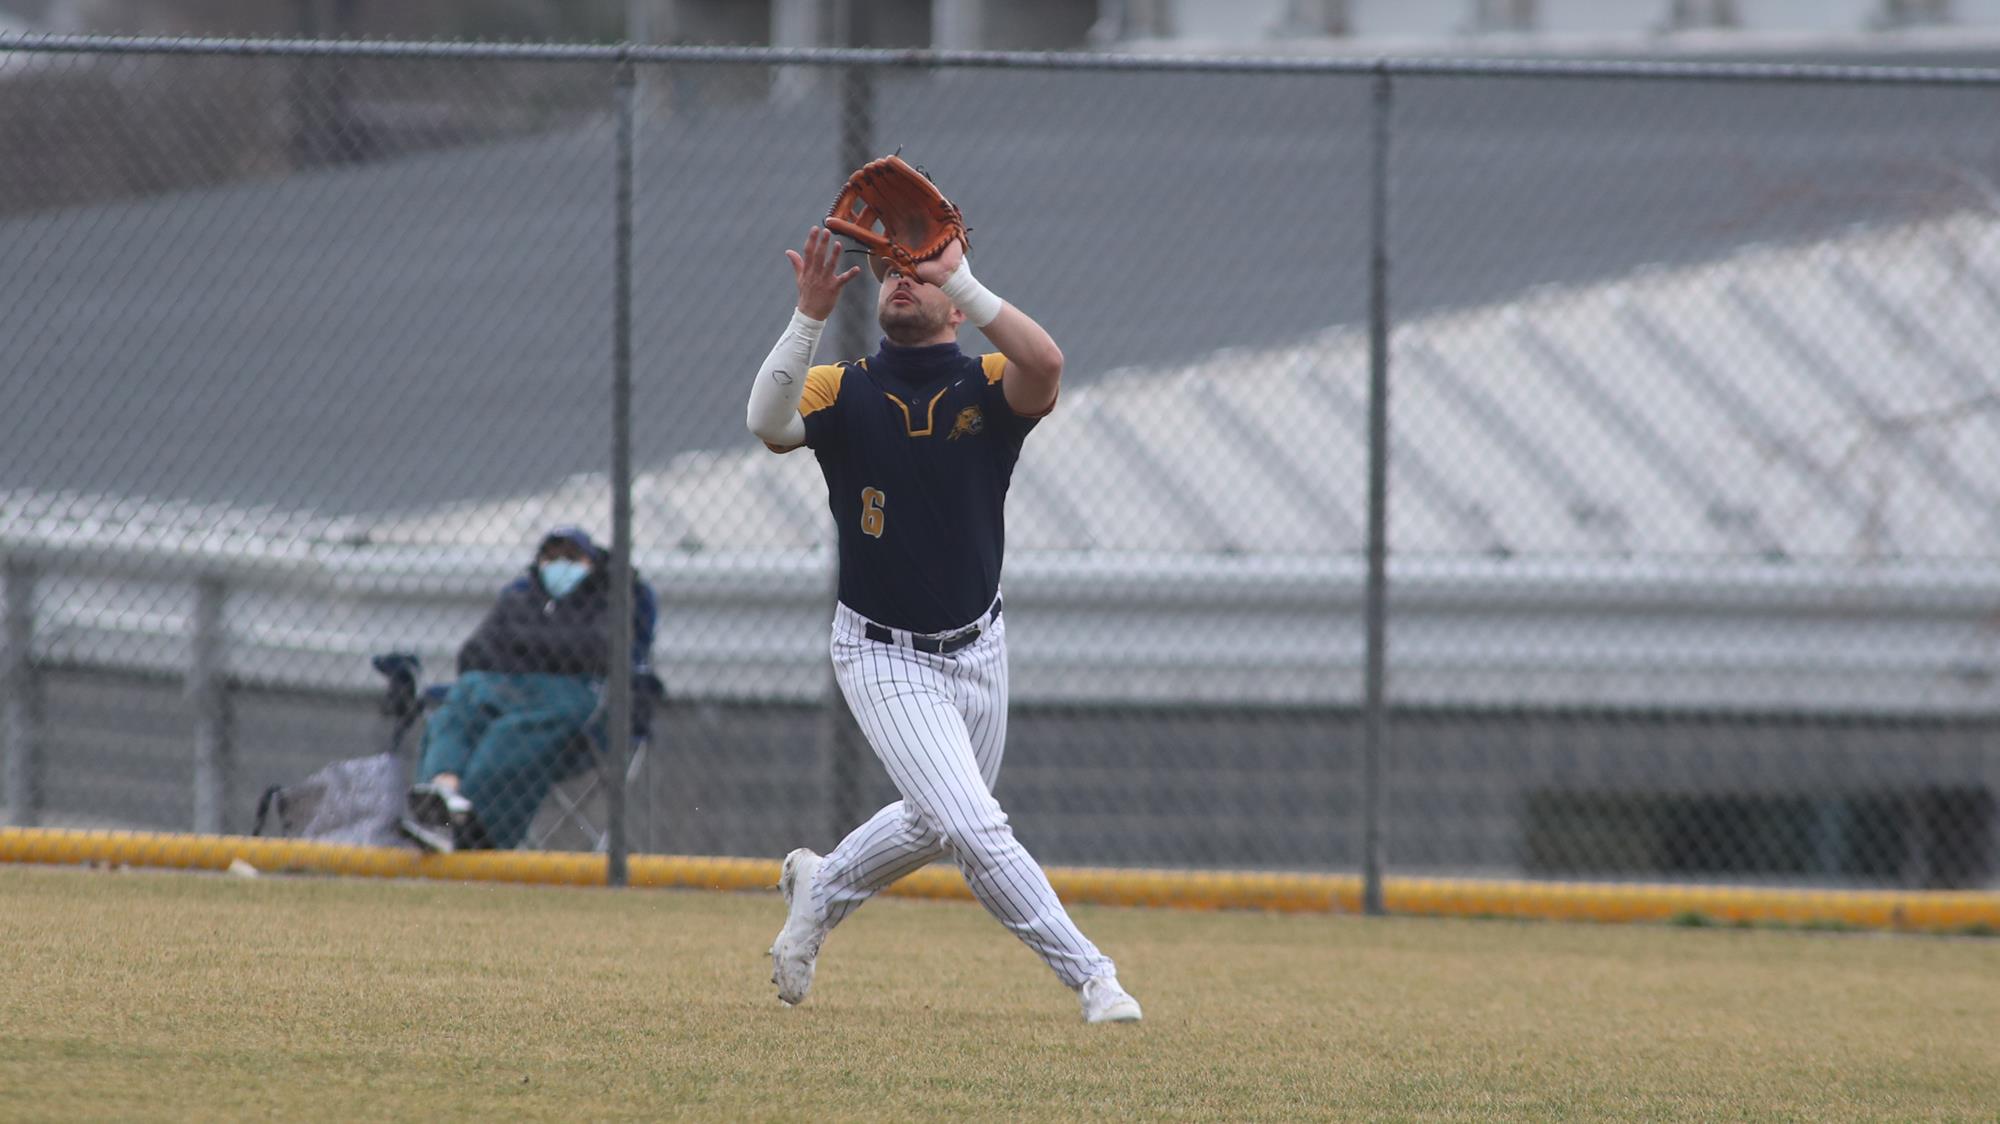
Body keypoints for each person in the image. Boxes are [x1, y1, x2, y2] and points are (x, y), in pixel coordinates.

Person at [745, 219, 1142, 1024]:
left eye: (918, 273)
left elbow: (1048, 364)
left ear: (956, 304)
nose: (902, 278)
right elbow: (767, 421)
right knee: (971, 823)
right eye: (891, 270)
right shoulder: (843, 387)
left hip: (980, 644)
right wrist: (809, 312)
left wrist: (958, 274)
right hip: (881, 652)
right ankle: (1095, 977)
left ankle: (820, 890)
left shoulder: (988, 385)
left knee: (936, 820)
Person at [399, 526, 658, 853]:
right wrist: (548, 646)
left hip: (574, 698)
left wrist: (522, 646)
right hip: (505, 688)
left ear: (592, 563)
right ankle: (441, 795)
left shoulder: (611, 599)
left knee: (511, 734)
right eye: (551, 557)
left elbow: (598, 651)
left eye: (571, 557)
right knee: (459, 703)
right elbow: (475, 653)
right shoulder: (519, 596)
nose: (559, 564)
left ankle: (471, 828)